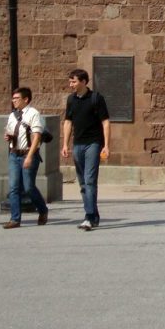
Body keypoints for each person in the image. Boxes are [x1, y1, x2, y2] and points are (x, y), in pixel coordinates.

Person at [62, 69, 110, 231]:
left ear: (83, 82)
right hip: (77, 144)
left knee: (89, 180)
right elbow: (68, 122)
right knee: (83, 183)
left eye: (74, 81)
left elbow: (105, 122)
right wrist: (65, 144)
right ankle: (93, 215)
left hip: (93, 144)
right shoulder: (71, 100)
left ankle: (89, 216)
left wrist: (106, 145)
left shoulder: (96, 98)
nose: (71, 85)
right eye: (70, 81)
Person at [2, 86, 50, 228]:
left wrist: (29, 156)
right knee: (14, 188)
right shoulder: (12, 115)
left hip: (28, 154)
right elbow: (11, 132)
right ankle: (15, 219)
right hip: (14, 154)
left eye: (17, 98)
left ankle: (43, 210)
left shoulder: (33, 114)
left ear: (26, 99)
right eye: (13, 98)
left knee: (29, 187)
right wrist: (8, 137)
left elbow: (37, 137)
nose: (14, 101)